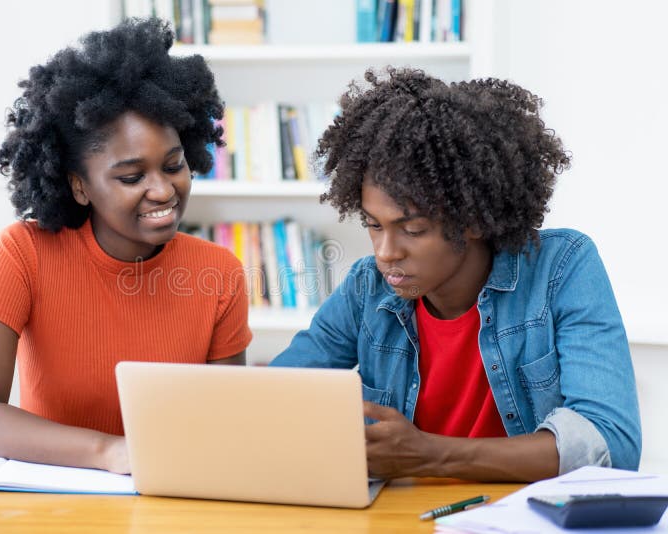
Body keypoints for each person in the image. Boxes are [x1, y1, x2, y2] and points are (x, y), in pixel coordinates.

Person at [270, 67, 640, 482]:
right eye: (374, 225)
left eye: (413, 229)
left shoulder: (562, 268)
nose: (385, 252)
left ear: (473, 220)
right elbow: (272, 399)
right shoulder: (365, 288)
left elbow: (613, 444)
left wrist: (431, 455)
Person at [0, 18, 251, 474]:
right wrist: (110, 452)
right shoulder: (22, 255)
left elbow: (228, 423)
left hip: (172, 496)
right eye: (131, 177)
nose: (164, 191)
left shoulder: (219, 271)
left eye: (174, 165)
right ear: (79, 186)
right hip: (55, 505)